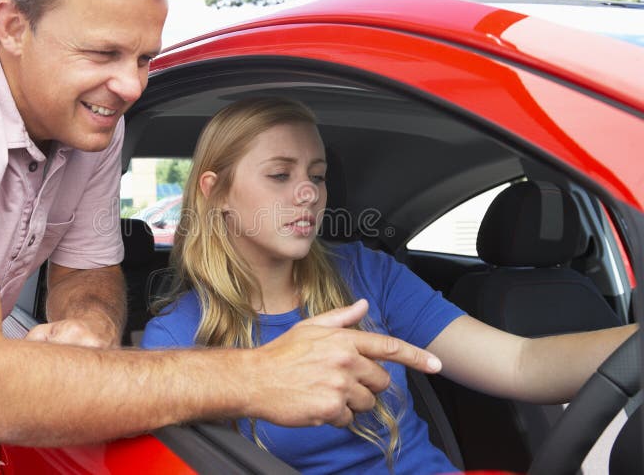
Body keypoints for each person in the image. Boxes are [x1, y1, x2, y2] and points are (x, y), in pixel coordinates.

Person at [0, 0, 443, 472]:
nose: (131, 87)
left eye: (144, 58)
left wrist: (93, 326)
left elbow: (86, 269)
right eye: (103, 52)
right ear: (13, 25)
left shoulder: (89, 120)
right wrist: (260, 375)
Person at [140, 97, 639, 474]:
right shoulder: (178, 336)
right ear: (216, 193)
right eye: (279, 175)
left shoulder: (365, 273)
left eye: (318, 174)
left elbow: (521, 364)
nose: (309, 192)